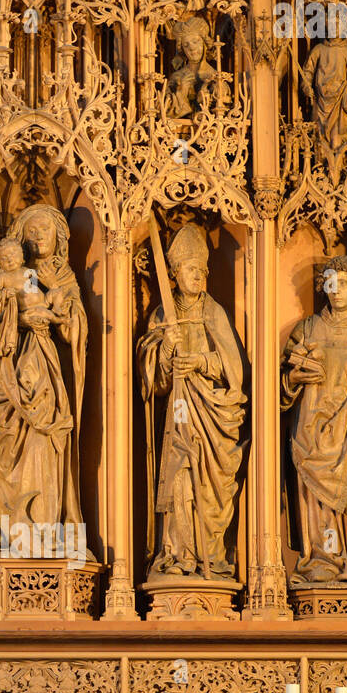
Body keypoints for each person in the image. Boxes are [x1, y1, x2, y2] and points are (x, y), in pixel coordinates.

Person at [137, 221, 247, 580]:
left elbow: (234, 369)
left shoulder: (214, 313)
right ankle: (177, 555)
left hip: (212, 415)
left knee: (208, 485)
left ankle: (208, 557)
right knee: (180, 478)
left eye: (201, 270)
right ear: (174, 274)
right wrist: (166, 348)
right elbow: (155, 384)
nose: (197, 276)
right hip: (180, 413)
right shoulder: (161, 316)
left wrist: (200, 361)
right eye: (189, 270)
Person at [0, 205, 87, 540]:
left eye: (46, 230)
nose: (38, 237)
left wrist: (63, 310)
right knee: (15, 445)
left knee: (47, 439)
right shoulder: (2, 279)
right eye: (32, 231)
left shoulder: (63, 277)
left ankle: (48, 527)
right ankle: (17, 531)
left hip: (46, 368)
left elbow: (73, 330)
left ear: (60, 237)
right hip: (11, 374)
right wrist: (18, 320)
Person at [281, 254, 347, 586]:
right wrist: (295, 378)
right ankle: (325, 560)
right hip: (311, 434)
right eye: (331, 283)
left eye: (344, 284)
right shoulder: (308, 329)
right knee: (318, 506)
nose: (336, 290)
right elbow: (281, 389)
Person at [300, 30, 347, 187]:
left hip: (341, 100)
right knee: (320, 139)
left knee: (337, 139)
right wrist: (307, 87)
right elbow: (307, 73)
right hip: (322, 101)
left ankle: (339, 175)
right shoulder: (319, 49)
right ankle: (321, 174)